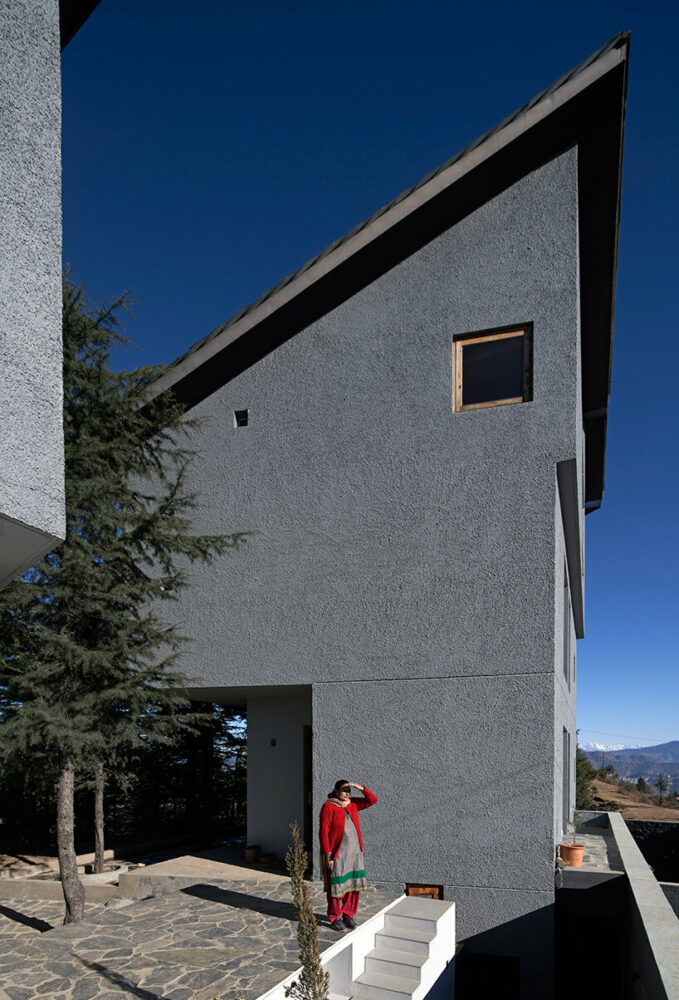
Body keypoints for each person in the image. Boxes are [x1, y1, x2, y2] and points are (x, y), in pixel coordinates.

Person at [319, 778, 377, 932]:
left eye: (349, 791)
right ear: (336, 791)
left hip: (355, 853)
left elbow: (372, 800)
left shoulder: (353, 804)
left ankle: (348, 915)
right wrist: (328, 855)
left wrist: (362, 788)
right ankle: (335, 917)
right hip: (338, 854)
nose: (347, 794)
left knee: (353, 886)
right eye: (344, 791)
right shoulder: (329, 806)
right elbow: (323, 832)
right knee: (336, 886)